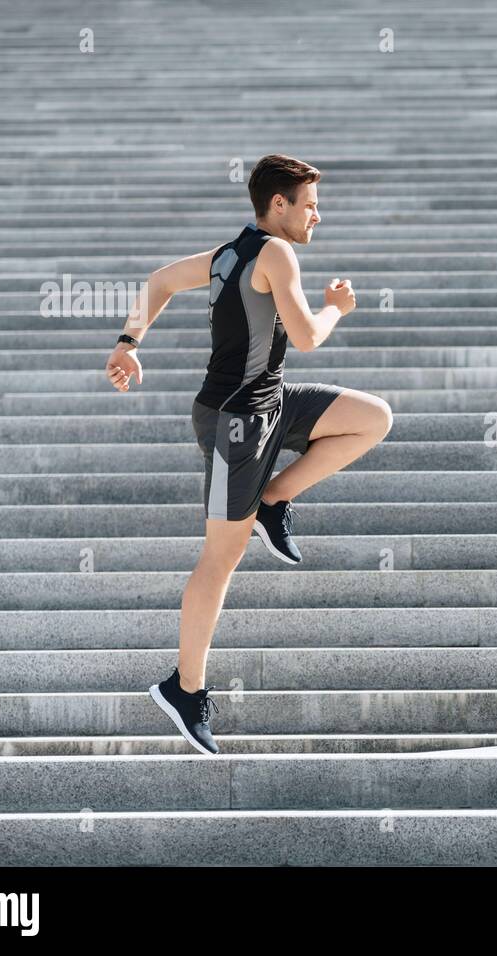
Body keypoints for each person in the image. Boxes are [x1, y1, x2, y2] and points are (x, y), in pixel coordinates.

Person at [102, 154, 393, 755]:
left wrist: (130, 342)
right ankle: (184, 689)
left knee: (371, 418)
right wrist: (339, 304)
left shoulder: (228, 253)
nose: (319, 214)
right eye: (310, 204)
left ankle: (275, 498)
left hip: (270, 402)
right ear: (278, 205)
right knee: (220, 558)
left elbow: (157, 281)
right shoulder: (276, 253)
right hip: (235, 422)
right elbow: (309, 336)